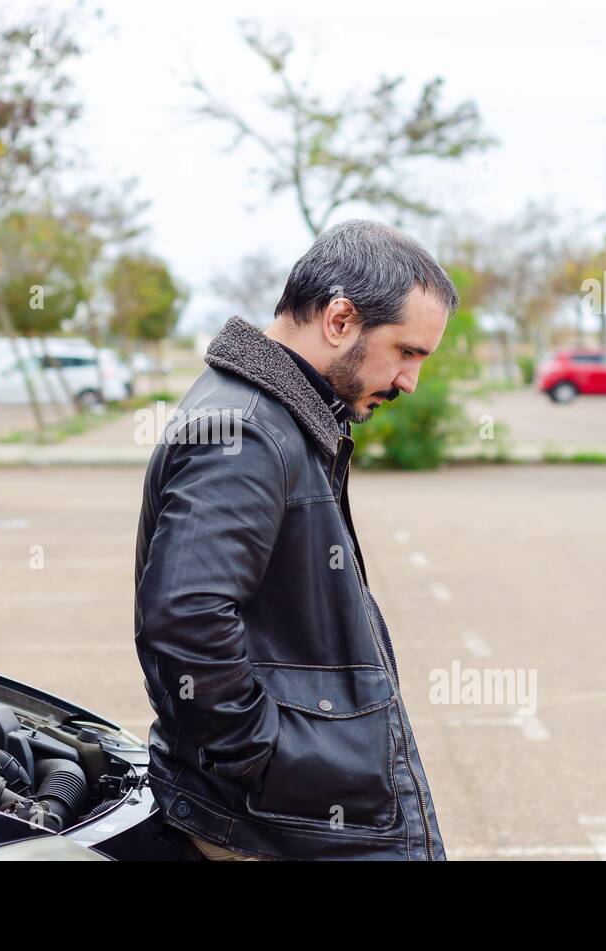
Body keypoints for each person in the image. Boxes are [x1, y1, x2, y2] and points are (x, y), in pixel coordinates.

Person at [134, 219, 455, 861]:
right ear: (340, 320)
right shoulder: (246, 431)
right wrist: (269, 758)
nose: (410, 380)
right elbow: (184, 619)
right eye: (407, 351)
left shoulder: (282, 417)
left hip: (291, 817)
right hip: (274, 827)